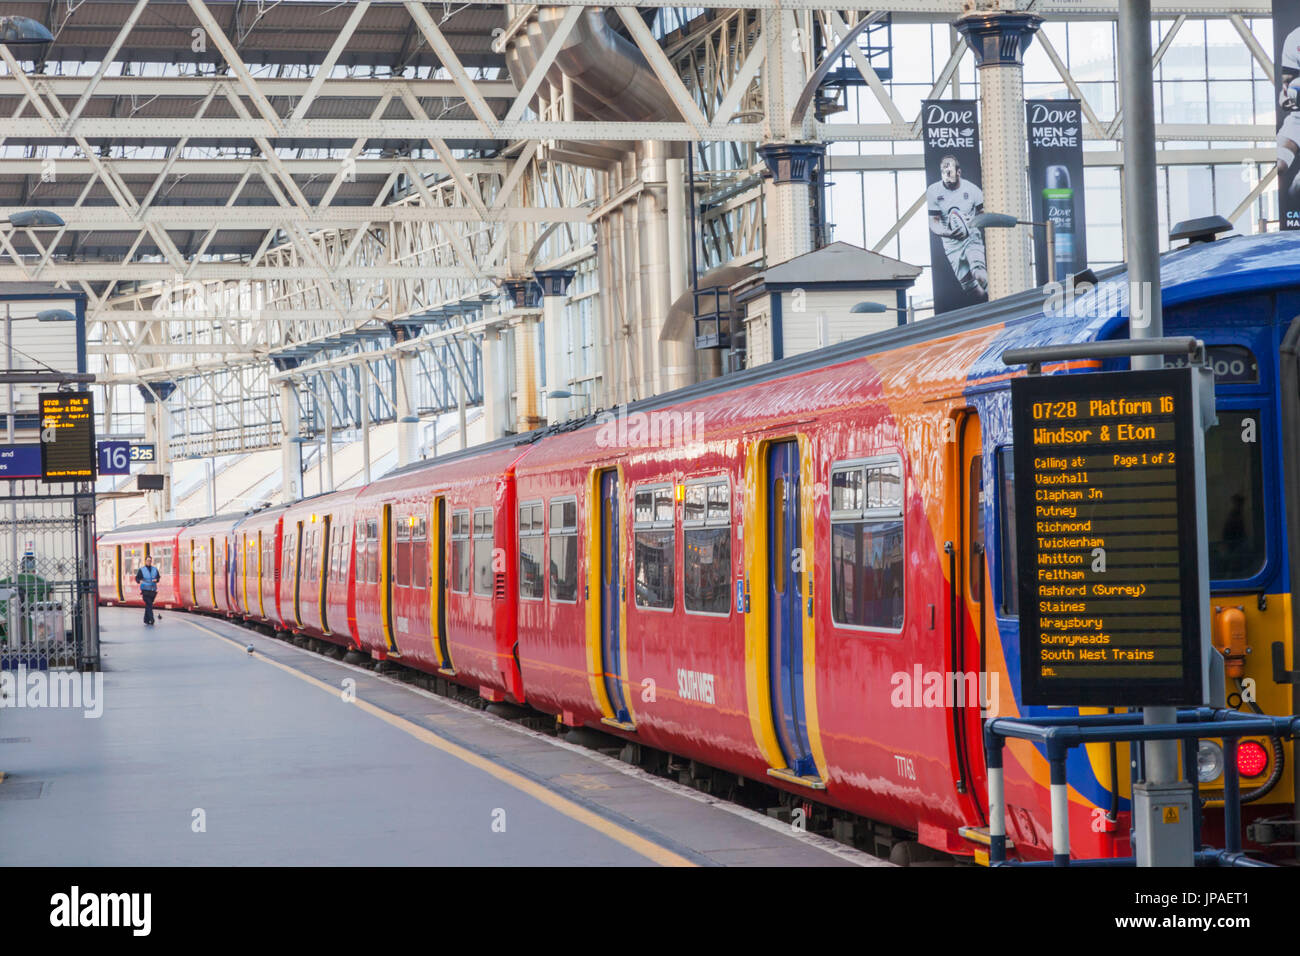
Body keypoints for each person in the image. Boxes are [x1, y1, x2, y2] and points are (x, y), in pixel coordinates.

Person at [927, 155, 989, 299]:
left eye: (950, 173)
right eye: (944, 173)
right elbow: (934, 222)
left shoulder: (972, 190)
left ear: (959, 172)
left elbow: (983, 214)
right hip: (951, 244)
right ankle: (987, 306)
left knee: (979, 274)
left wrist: (972, 222)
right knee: (972, 290)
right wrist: (948, 233)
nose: (947, 177)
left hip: (971, 237)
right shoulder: (933, 191)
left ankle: (1000, 302)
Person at [1277, 25, 1300, 214]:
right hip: (1299, 117)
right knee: (1279, 164)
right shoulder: (1295, 38)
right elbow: (1287, 84)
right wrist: (1287, 98)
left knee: (1297, 186)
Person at [135, 554, 160, 626]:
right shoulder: (141, 570)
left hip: (152, 591)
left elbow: (158, 578)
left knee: (149, 605)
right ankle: (151, 619)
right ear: (145, 561)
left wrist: (157, 580)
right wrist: (139, 581)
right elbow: (137, 578)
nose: (149, 562)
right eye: (147, 560)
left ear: (151, 561)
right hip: (145, 591)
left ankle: (146, 619)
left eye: (150, 561)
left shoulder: (155, 569)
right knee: (149, 604)